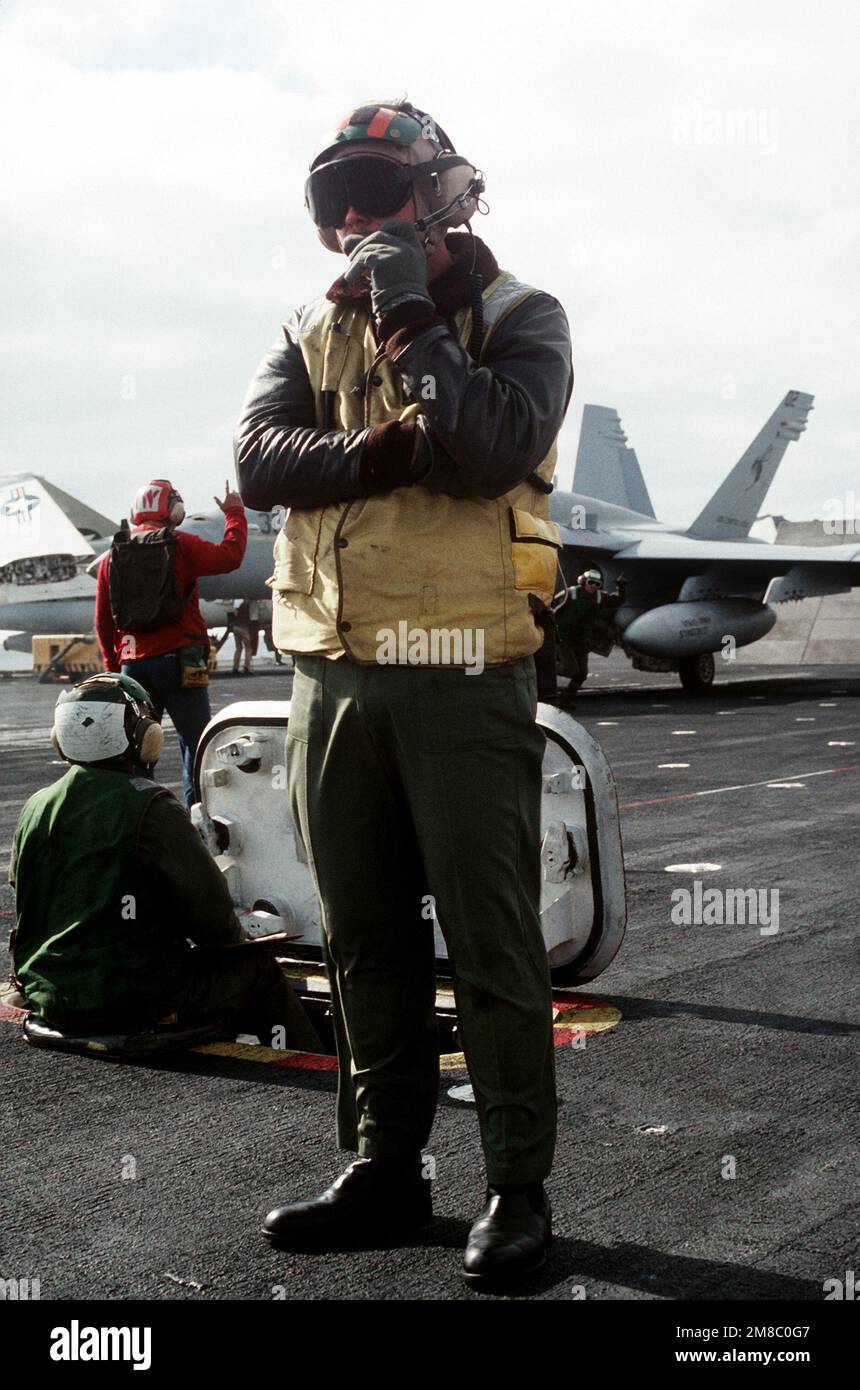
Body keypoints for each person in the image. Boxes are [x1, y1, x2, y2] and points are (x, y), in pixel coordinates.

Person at [235, 99, 573, 1286]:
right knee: (363, 937)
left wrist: (411, 317)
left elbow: (484, 448)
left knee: (489, 943)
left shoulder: (521, 316)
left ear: (440, 192)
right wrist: (380, 454)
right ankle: (385, 1167)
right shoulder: (303, 328)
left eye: (379, 189)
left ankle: (515, 1188)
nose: (358, 218)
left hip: (460, 668)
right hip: (330, 673)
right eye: (338, 199)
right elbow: (257, 461)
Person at [8, 674, 320, 1051]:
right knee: (257, 970)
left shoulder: (35, 806)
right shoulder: (150, 806)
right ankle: (312, 1069)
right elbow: (215, 924)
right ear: (143, 736)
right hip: (129, 997)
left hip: (49, 994)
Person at [95, 479, 247, 808]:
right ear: (171, 509)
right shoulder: (181, 544)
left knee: (137, 750)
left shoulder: (112, 556)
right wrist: (235, 513)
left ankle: (142, 820)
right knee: (197, 746)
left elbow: (103, 621)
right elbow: (230, 556)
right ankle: (198, 824)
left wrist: (114, 669)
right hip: (184, 658)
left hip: (133, 665)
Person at [554, 568, 626, 708]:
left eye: (597, 584)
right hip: (564, 640)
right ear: (583, 582)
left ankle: (565, 700)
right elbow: (552, 608)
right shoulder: (570, 594)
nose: (593, 586)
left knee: (581, 675)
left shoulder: (599, 597)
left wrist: (621, 587)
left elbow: (617, 601)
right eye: (591, 582)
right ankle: (548, 668)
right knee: (571, 670)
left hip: (581, 641)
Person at [231, 599, 260, 675]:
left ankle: (235, 668)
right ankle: (247, 667)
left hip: (235, 627)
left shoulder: (240, 605)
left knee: (238, 649)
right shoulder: (250, 605)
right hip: (243, 628)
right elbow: (253, 619)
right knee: (248, 648)